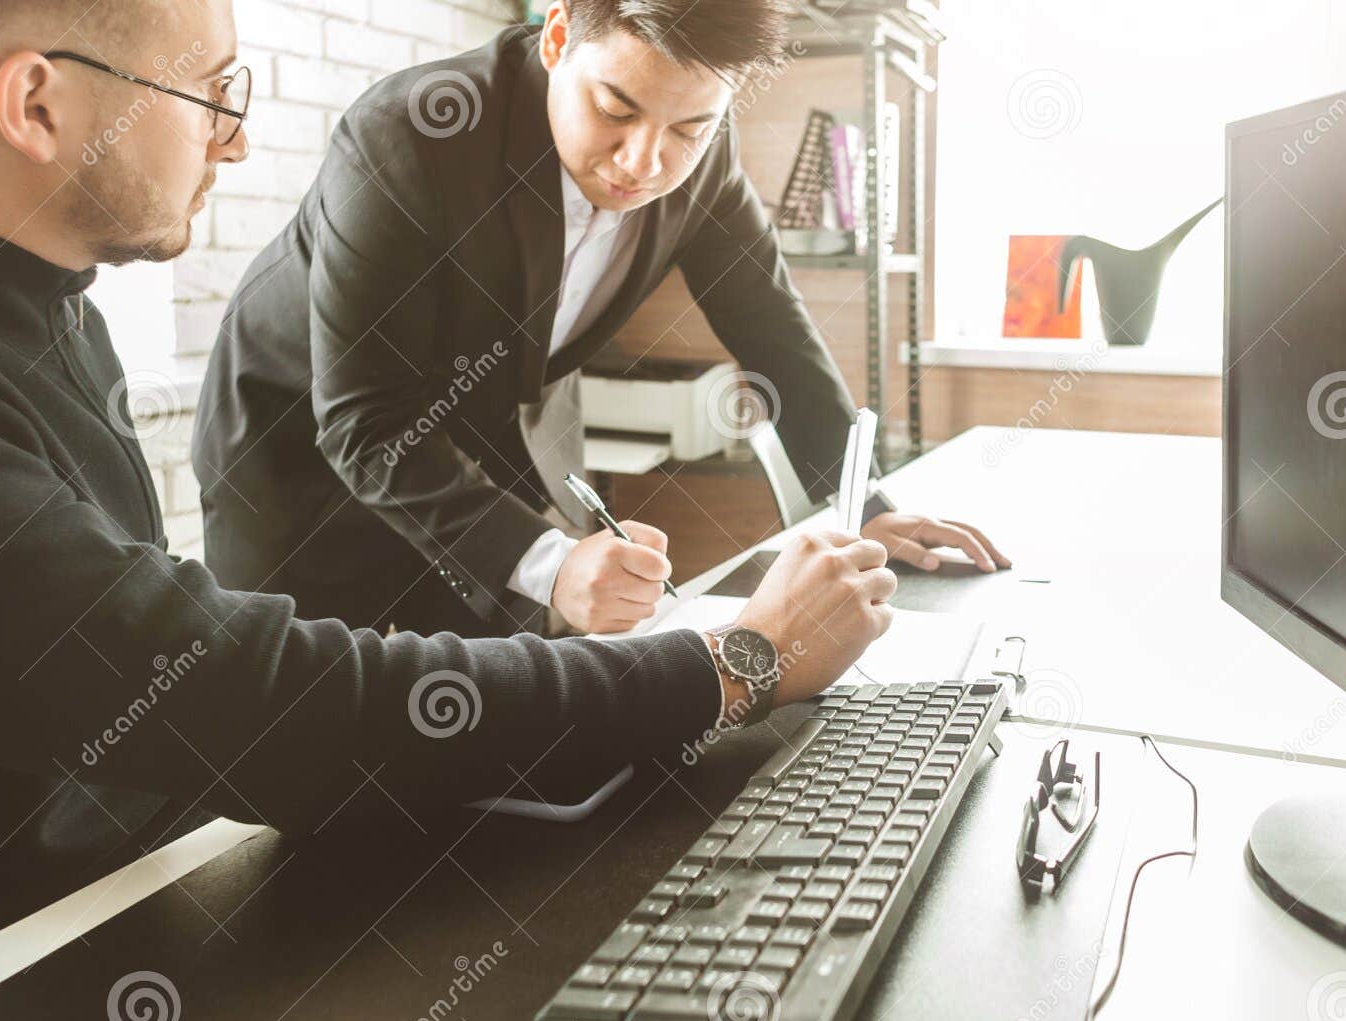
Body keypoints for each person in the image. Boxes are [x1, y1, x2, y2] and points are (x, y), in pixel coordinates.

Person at [0, 0, 896, 972]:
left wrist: (860, 515)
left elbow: (173, 695)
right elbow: (232, 694)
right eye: (211, 90)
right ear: (36, 104)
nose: (234, 138)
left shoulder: (36, 297)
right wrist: (734, 663)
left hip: (104, 879)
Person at [194, 0, 1009, 638]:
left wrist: (865, 504)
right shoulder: (413, 133)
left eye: (689, 128)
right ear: (556, 39)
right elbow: (366, 420)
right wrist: (551, 562)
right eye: (616, 109)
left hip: (458, 444)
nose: (643, 163)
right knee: (305, 749)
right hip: (294, 452)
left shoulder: (701, 162)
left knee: (487, 717)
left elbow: (773, 329)